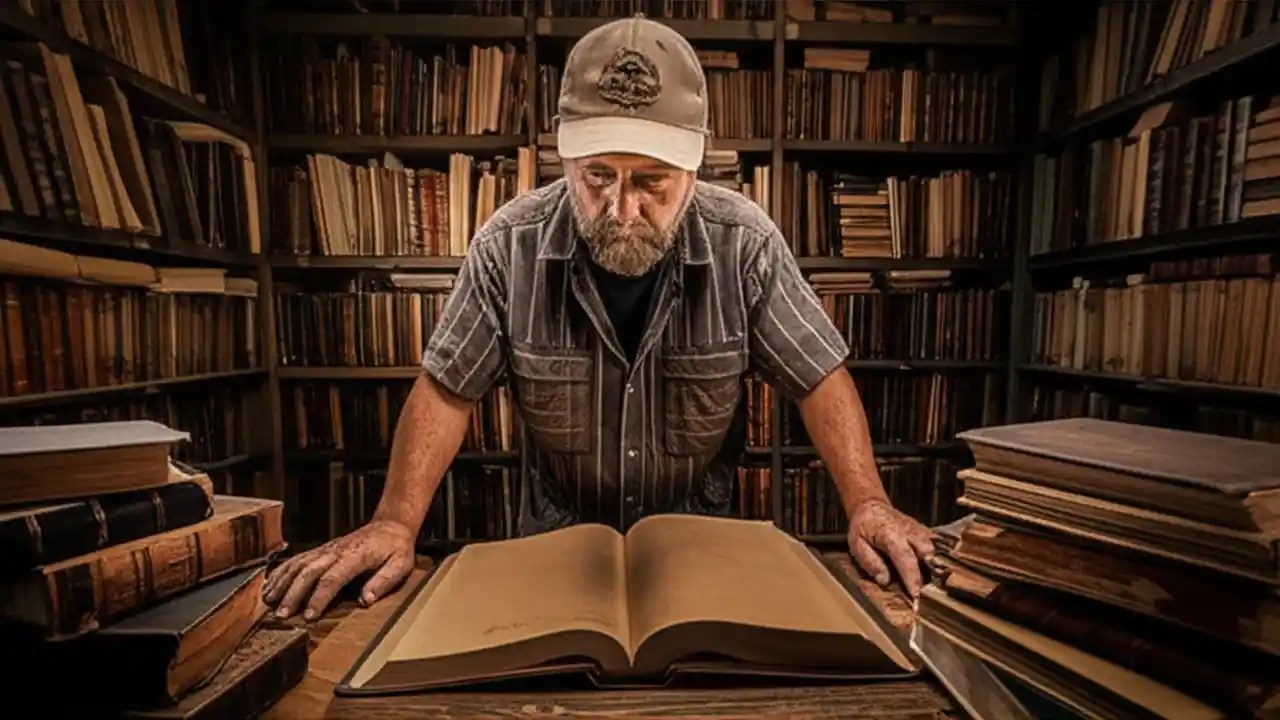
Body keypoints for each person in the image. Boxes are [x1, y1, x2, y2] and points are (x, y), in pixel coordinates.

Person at [263, 14, 935, 622]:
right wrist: (394, 523)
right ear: (565, 157)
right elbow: (446, 389)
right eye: (597, 176)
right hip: (553, 560)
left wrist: (868, 503)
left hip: (703, 563)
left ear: (694, 170)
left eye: (650, 182)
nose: (621, 210)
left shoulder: (746, 244)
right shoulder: (507, 245)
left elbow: (819, 376)